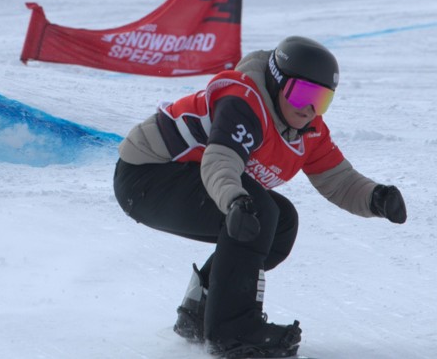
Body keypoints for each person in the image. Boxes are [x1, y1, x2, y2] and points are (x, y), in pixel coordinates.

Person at [113, 36, 408, 358]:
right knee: (260, 212)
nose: (309, 108)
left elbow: (338, 179)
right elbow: (220, 161)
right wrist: (234, 201)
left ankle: (200, 312)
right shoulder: (244, 104)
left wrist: (376, 198)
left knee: (282, 223)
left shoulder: (308, 130)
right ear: (278, 82)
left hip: (182, 177)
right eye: (302, 94)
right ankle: (233, 332)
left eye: (321, 100)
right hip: (147, 176)